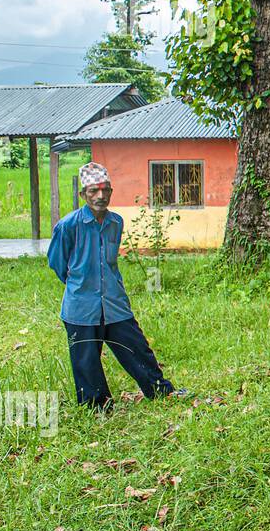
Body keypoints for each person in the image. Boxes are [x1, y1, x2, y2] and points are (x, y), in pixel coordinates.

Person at [46, 161, 183, 409]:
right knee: (86, 359)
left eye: (105, 190)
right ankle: (96, 405)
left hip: (113, 302)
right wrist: (80, 285)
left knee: (137, 348)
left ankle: (160, 390)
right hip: (81, 306)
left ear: (111, 190)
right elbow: (57, 263)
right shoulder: (68, 226)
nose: (100, 196)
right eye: (93, 191)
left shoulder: (115, 223)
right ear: (83, 194)